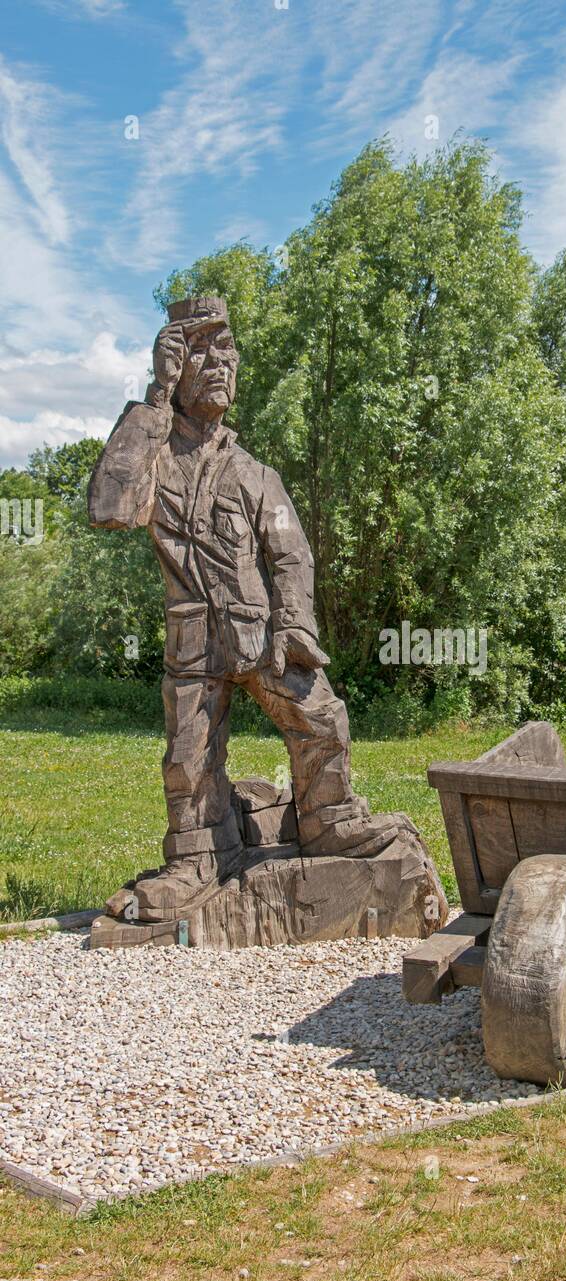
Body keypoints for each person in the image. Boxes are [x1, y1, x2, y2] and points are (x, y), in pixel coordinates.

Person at [89, 296, 417, 921]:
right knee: (189, 759)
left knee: (322, 721)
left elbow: (292, 555)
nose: (219, 365)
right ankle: (196, 857)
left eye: (227, 352)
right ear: (173, 367)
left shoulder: (254, 473)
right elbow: (109, 507)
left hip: (260, 635)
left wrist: (293, 623)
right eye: (200, 353)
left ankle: (329, 821)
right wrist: (154, 401)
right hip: (193, 643)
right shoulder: (153, 456)